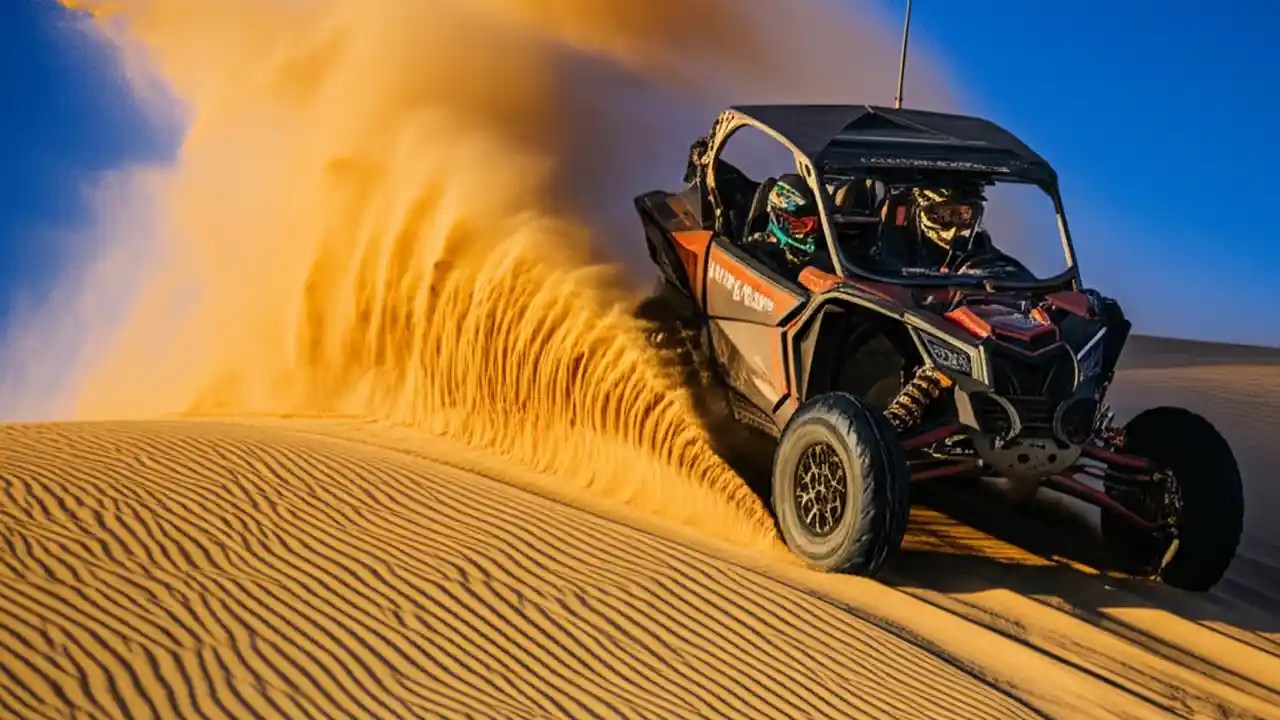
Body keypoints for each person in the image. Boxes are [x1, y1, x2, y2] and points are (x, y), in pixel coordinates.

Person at [742, 173, 824, 275]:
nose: (811, 229)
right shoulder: (759, 254)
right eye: (803, 224)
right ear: (780, 220)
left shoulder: (813, 253)